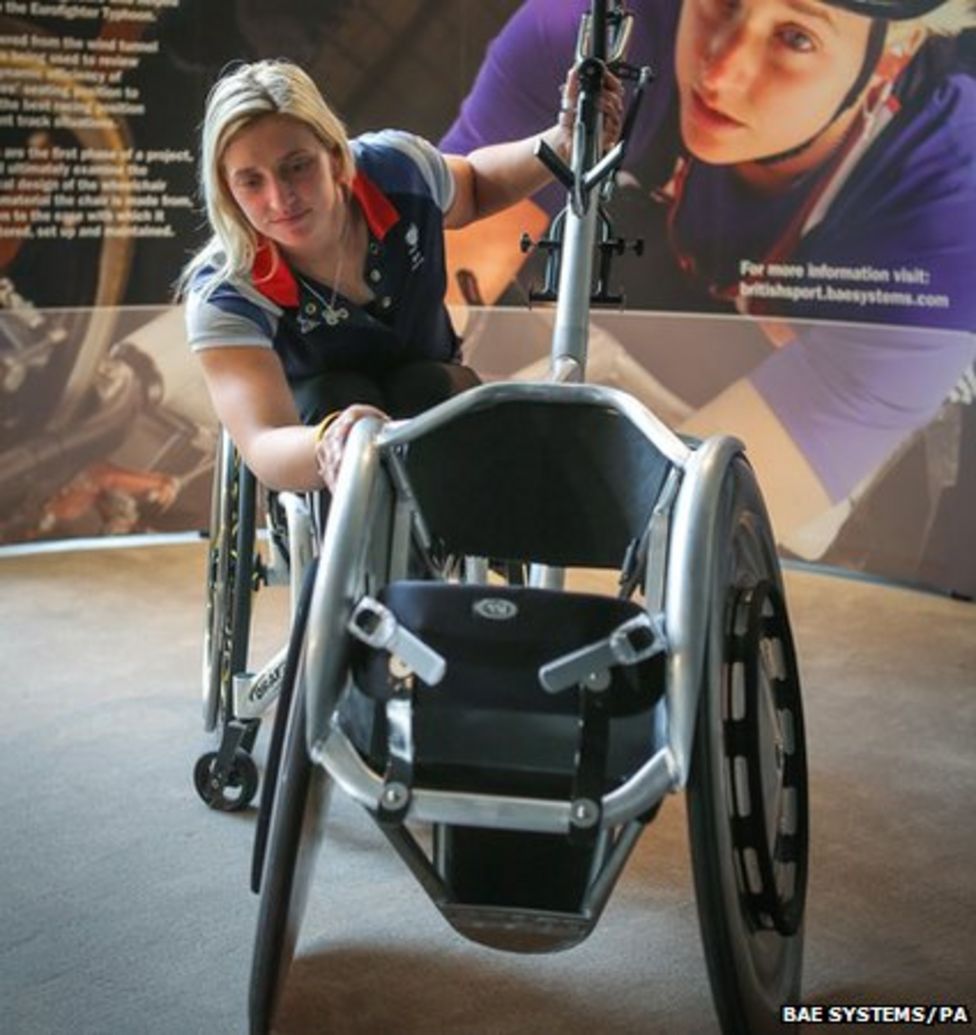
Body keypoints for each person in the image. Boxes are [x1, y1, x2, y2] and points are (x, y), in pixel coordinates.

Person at [440, 0, 976, 563]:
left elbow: (679, 532)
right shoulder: (592, 35)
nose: (719, 73)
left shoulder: (950, 203)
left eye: (795, 38)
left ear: (894, 52)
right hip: (640, 329)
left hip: (823, 418)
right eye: (721, 2)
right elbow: (435, 286)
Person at [180, 59, 622, 492]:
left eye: (297, 166)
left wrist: (564, 141)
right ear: (226, 190)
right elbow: (263, 440)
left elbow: (473, 185)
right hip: (321, 430)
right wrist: (331, 440)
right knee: (337, 398)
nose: (280, 198)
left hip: (430, 390)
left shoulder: (398, 170)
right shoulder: (226, 292)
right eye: (251, 182)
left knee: (424, 386)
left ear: (334, 156)